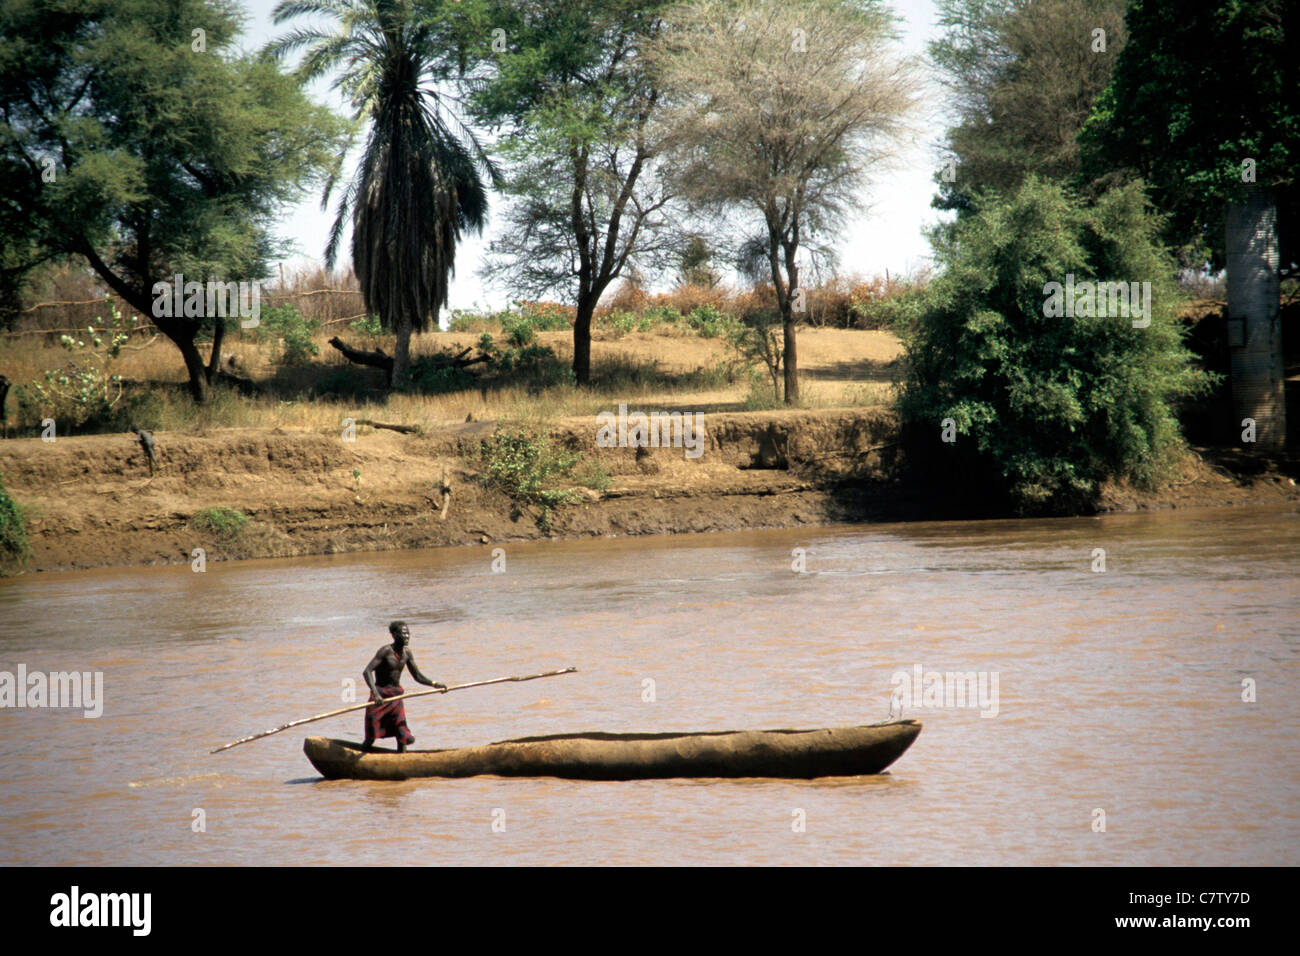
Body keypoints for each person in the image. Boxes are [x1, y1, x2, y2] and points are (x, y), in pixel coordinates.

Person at [362, 621, 446, 752]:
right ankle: (360, 758)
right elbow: (367, 672)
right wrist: (376, 694)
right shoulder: (385, 651)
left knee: (400, 731)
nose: (407, 637)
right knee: (372, 733)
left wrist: (435, 684)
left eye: (408, 634)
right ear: (394, 635)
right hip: (380, 696)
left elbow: (417, 675)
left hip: (395, 696)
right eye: (403, 634)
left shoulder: (407, 653)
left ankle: (402, 758)